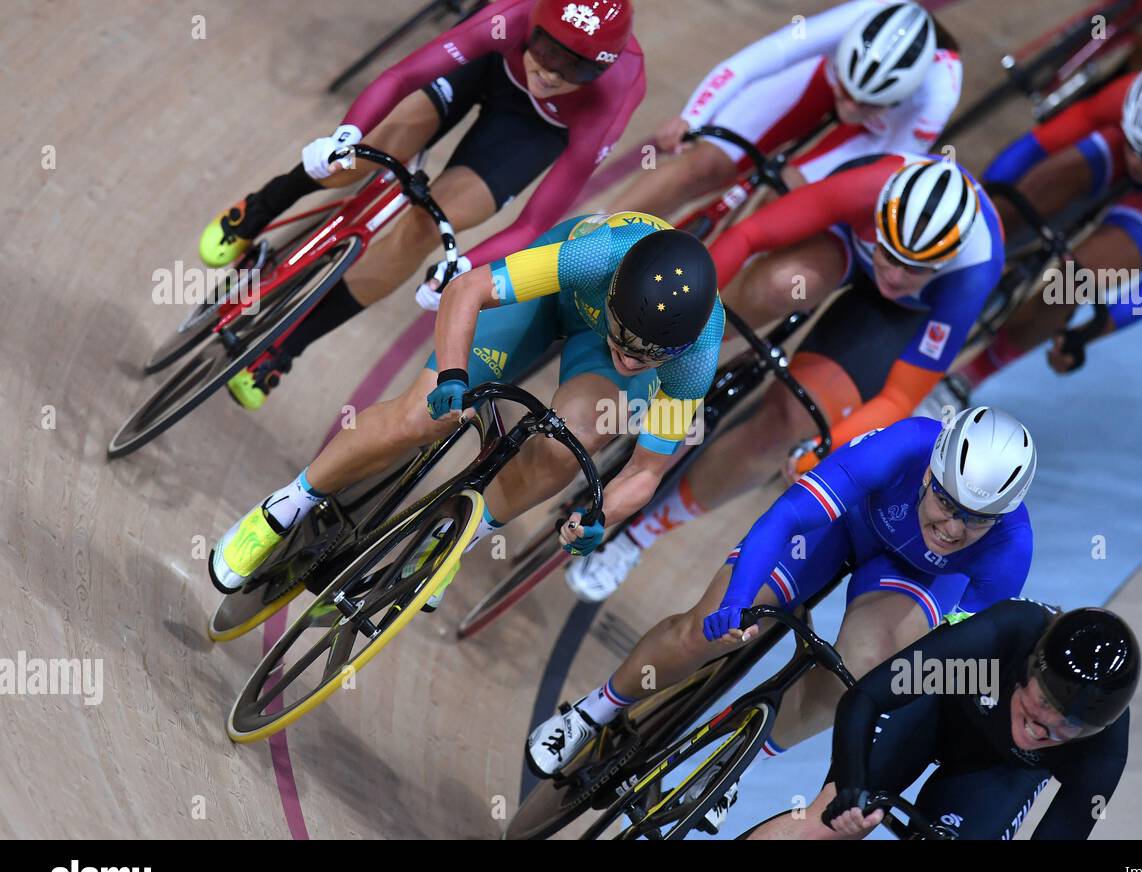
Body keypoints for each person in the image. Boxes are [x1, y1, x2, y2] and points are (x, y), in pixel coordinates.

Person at [530, 407, 1037, 805]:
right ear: (929, 476)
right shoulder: (904, 447)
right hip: (844, 526)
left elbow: (948, 658)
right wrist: (735, 600)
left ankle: (732, 767)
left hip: (914, 578)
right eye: (946, 503)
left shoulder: (1011, 550)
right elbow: (788, 515)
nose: (952, 528)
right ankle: (592, 713)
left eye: (976, 520)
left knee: (857, 671)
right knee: (704, 628)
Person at [207, 212, 722, 594]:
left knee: (568, 448)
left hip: (595, 349)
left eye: (651, 354)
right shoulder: (596, 255)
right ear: (613, 295)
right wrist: (452, 373)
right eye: (626, 338)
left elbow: (645, 472)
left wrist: (599, 516)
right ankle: (288, 503)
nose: (632, 360)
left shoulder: (696, 358)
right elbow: (470, 289)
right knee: (422, 413)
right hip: (552, 298)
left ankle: (462, 538)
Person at [566, 154, 1005, 602]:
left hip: (898, 315)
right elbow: (748, 236)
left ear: (946, 262)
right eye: (889, 255)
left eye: (914, 269)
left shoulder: (972, 276)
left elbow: (898, 396)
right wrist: (679, 316)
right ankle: (655, 377)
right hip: (842, 247)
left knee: (788, 425)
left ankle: (637, 537)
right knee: (778, 284)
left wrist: (822, 450)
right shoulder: (868, 186)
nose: (894, 274)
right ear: (880, 219)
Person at [197, 0, 644, 409]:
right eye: (545, 52)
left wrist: (464, 264)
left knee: (426, 230)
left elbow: (534, 224)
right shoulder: (509, 16)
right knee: (353, 158)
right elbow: (404, 76)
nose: (550, 74)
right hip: (486, 65)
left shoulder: (612, 97)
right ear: (533, 28)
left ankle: (285, 347)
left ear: (601, 71)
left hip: (533, 129)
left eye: (574, 70)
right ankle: (256, 210)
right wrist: (347, 133)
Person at [928, 55, 1142, 411]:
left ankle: (966, 378)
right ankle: (936, 273)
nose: (1135, 160)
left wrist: (1087, 334)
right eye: (1133, 145)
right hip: (1121, 143)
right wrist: (986, 202)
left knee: (1073, 282)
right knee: (1025, 194)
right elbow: (1037, 145)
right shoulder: (1129, 97)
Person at [740, 600, 1140, 840]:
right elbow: (866, 697)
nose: (1039, 730)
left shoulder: (1102, 752)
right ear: (1028, 669)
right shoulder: (1004, 636)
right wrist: (852, 786)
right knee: (827, 824)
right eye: (1038, 706)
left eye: (1061, 731)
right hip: (934, 709)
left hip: (998, 769)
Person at [614, 0, 962, 220]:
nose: (850, 105)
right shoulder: (861, 14)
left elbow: (883, 174)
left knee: (783, 203)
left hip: (881, 134)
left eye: (864, 101)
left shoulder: (936, 97)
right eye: (847, 89)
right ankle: (591, 234)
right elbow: (758, 60)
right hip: (820, 77)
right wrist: (693, 117)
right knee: (703, 165)